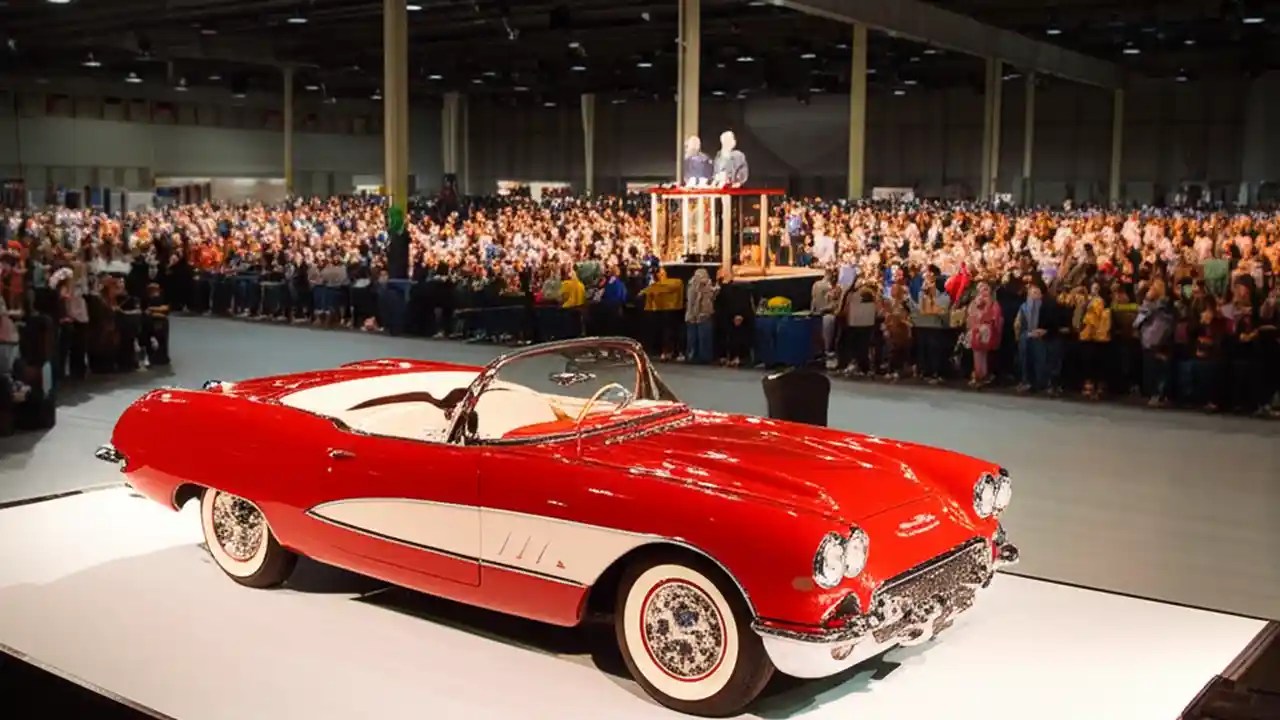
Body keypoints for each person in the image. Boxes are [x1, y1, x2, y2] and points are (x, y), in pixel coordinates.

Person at [966, 281, 1003, 388]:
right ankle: (979, 375)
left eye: (985, 289)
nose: (983, 291)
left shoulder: (994, 304)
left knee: (983, 354)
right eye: (981, 289)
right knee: (977, 353)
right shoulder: (974, 303)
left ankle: (982, 375)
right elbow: (970, 316)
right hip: (976, 330)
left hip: (987, 331)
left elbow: (996, 318)